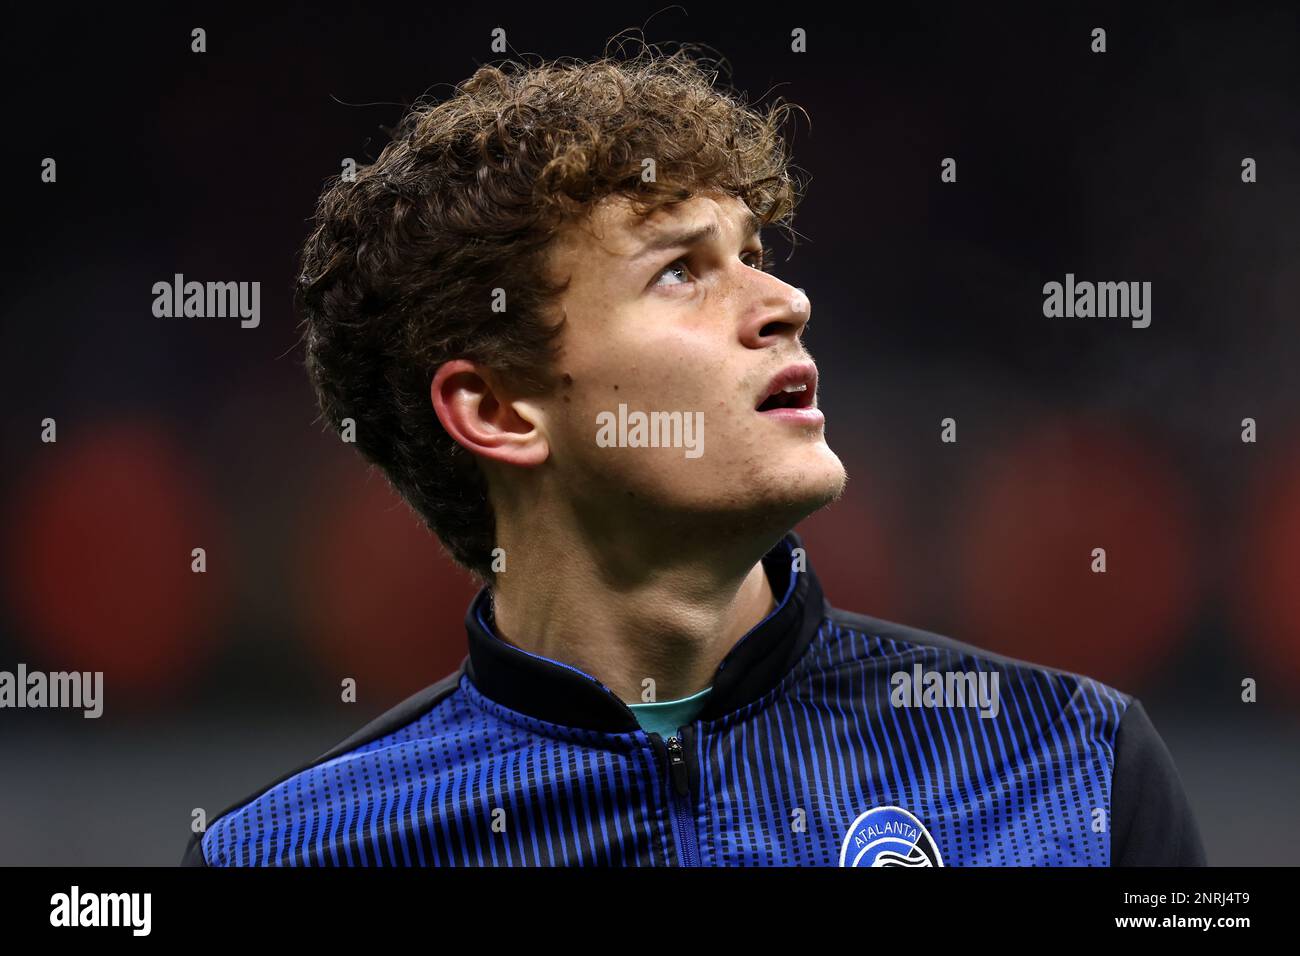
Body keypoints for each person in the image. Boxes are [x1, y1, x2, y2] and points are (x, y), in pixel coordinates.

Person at [182, 42, 1205, 867]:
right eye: (680, 271)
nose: (785, 303)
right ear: (497, 410)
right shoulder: (286, 852)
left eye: (753, 256)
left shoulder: (1069, 767)